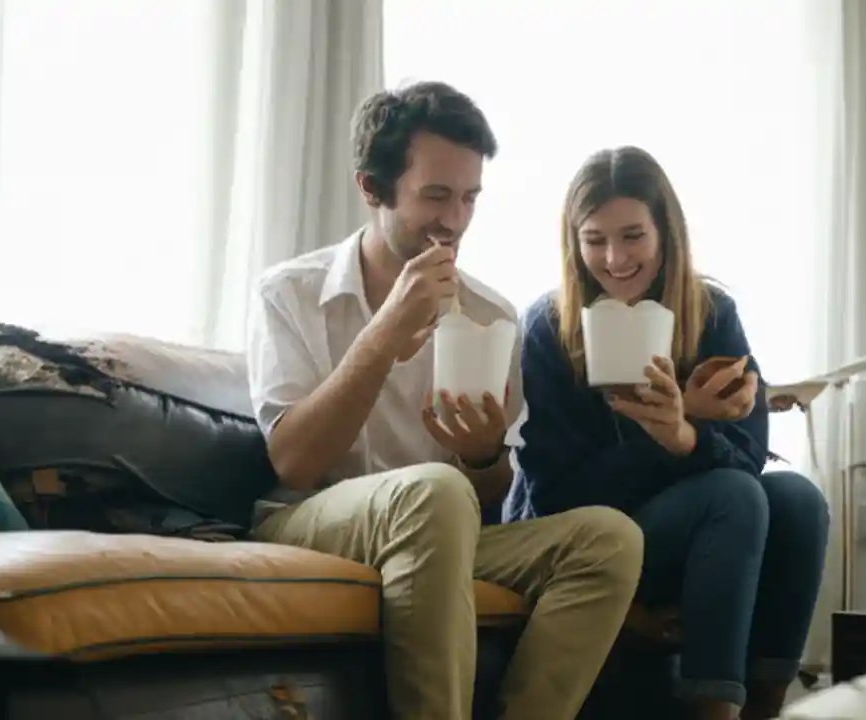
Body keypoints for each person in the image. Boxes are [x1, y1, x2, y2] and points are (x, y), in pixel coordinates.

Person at [246, 81, 644, 720]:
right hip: (310, 520)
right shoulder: (289, 293)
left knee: (610, 538)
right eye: (435, 195)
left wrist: (483, 456)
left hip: (438, 526)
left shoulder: (490, 314)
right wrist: (384, 334)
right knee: (435, 492)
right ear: (371, 188)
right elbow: (293, 462)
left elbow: (487, 496)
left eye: (469, 197)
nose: (455, 220)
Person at [505, 146, 830, 720]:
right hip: (584, 533)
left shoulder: (711, 312)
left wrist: (685, 436)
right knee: (730, 494)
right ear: (574, 243)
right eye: (594, 239)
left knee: (798, 499)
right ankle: (713, 711)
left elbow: (749, 453)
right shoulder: (548, 328)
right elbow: (556, 496)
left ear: (665, 234)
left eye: (633, 236)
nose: (614, 258)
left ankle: (766, 707)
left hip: (694, 524)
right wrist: (665, 439)